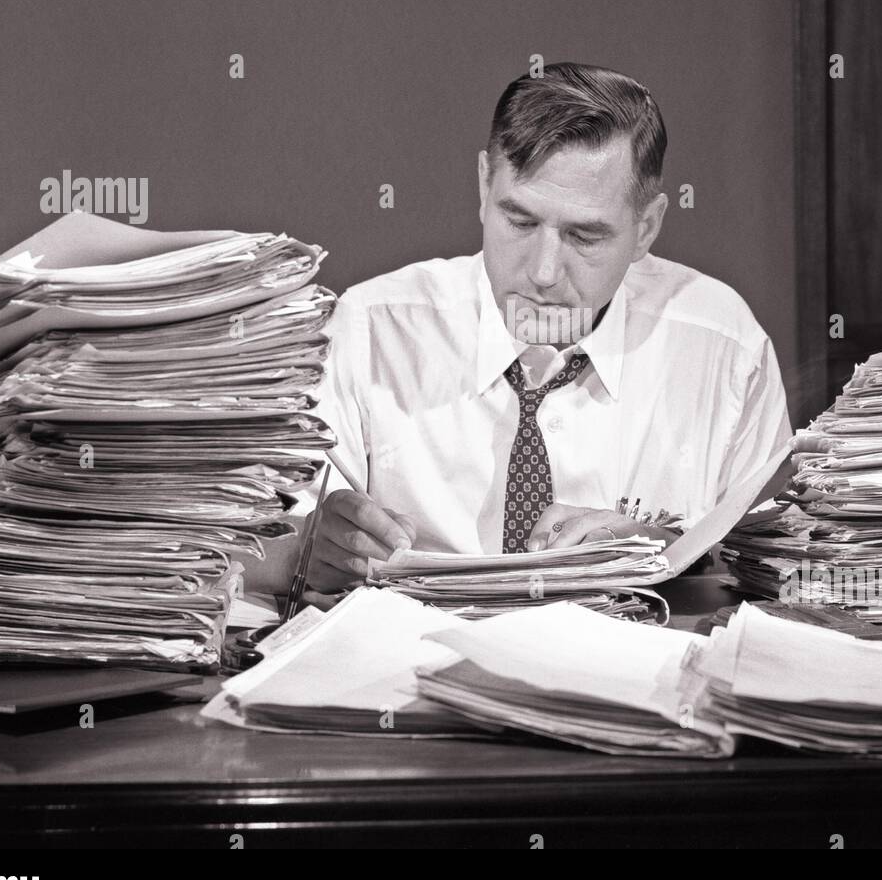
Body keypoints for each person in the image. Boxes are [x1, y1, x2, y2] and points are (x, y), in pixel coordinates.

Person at [304, 62, 790, 593]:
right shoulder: (373, 329)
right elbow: (267, 546)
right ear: (486, 185)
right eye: (520, 221)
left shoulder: (724, 348)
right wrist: (310, 547)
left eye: (584, 236)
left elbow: (781, 568)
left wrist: (665, 555)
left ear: (646, 228)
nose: (542, 272)